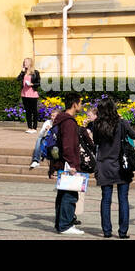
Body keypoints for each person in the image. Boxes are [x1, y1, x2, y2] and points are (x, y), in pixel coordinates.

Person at [88, 96, 135, 239]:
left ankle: (107, 231)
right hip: (121, 164)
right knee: (123, 199)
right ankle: (123, 232)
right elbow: (134, 136)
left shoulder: (97, 124)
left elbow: (96, 141)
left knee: (106, 199)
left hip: (104, 164)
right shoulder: (121, 123)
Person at [48, 92, 85, 235]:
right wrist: (73, 164)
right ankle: (65, 225)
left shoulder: (61, 119)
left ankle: (61, 224)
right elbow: (68, 145)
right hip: (68, 164)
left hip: (61, 163)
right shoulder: (69, 122)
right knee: (69, 195)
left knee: (63, 194)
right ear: (75, 104)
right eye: (80, 103)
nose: (81, 106)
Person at [19, 57, 41, 133]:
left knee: (34, 111)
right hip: (24, 94)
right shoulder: (23, 72)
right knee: (27, 111)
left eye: (26, 62)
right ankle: (29, 127)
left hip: (33, 94)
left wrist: (32, 84)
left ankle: (34, 128)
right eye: (24, 62)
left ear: (30, 63)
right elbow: (18, 79)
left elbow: (39, 83)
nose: (25, 63)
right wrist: (22, 72)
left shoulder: (35, 72)